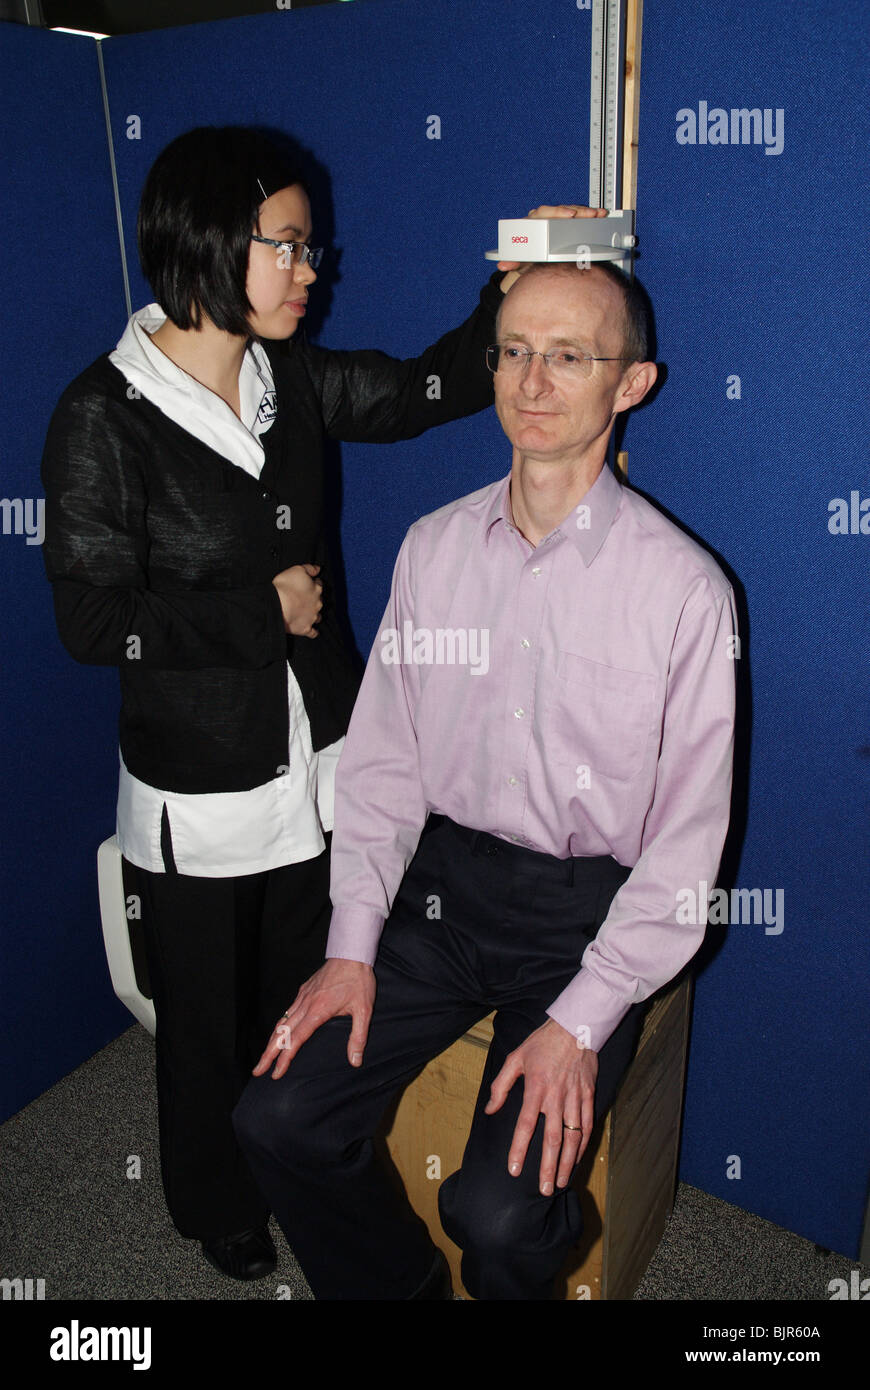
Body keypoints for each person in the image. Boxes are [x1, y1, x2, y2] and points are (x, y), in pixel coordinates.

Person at [40, 122, 594, 1280]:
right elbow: (91, 620)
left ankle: (290, 1168)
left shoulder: (284, 374)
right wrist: (255, 610)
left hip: (321, 769)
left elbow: (420, 391)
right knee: (204, 1032)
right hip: (198, 794)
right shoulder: (103, 416)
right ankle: (214, 1205)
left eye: (310, 249)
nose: (311, 273)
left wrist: (511, 302)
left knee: (301, 1011)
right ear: (207, 241)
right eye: (290, 248)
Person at [233, 260, 738, 1300]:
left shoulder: (685, 592)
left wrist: (583, 1019)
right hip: (440, 889)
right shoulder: (433, 550)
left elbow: (687, 855)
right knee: (275, 1116)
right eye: (514, 350)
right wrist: (350, 943)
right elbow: (383, 764)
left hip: (586, 913)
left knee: (498, 1213)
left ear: (630, 383)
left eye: (568, 355)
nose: (532, 380)